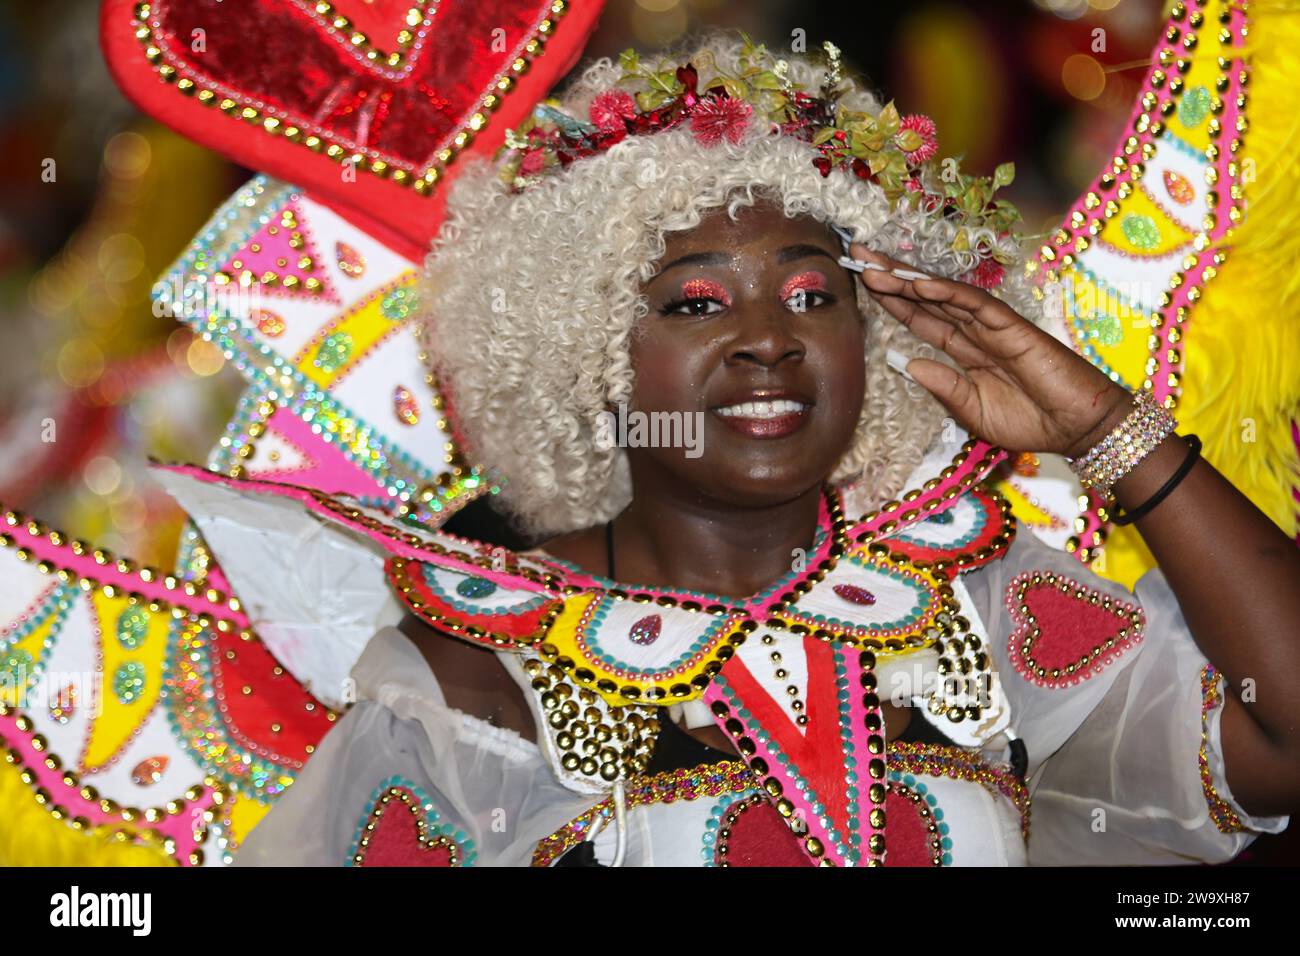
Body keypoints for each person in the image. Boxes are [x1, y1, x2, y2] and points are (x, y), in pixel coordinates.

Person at [216, 34, 1297, 866]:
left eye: (812, 294)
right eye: (694, 304)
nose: (769, 339)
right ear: (593, 351)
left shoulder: (974, 603)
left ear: (873, 336)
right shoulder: (473, 675)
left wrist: (1106, 431)